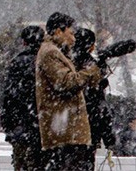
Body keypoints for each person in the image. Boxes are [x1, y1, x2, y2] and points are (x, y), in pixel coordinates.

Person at [35, 12, 101, 171]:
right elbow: (66, 83)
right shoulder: (50, 53)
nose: (74, 38)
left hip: (67, 132)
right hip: (65, 133)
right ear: (59, 31)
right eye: (70, 33)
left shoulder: (57, 52)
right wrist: (91, 70)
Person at [1, 25, 45, 171]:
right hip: (44, 128)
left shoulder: (17, 63)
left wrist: (9, 126)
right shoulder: (48, 61)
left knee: (22, 164)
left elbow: (9, 97)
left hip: (21, 128)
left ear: (24, 42)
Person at [70, 28, 114, 165]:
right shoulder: (91, 66)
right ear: (90, 46)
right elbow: (100, 106)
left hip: (67, 130)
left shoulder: (66, 62)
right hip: (88, 131)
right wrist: (108, 136)